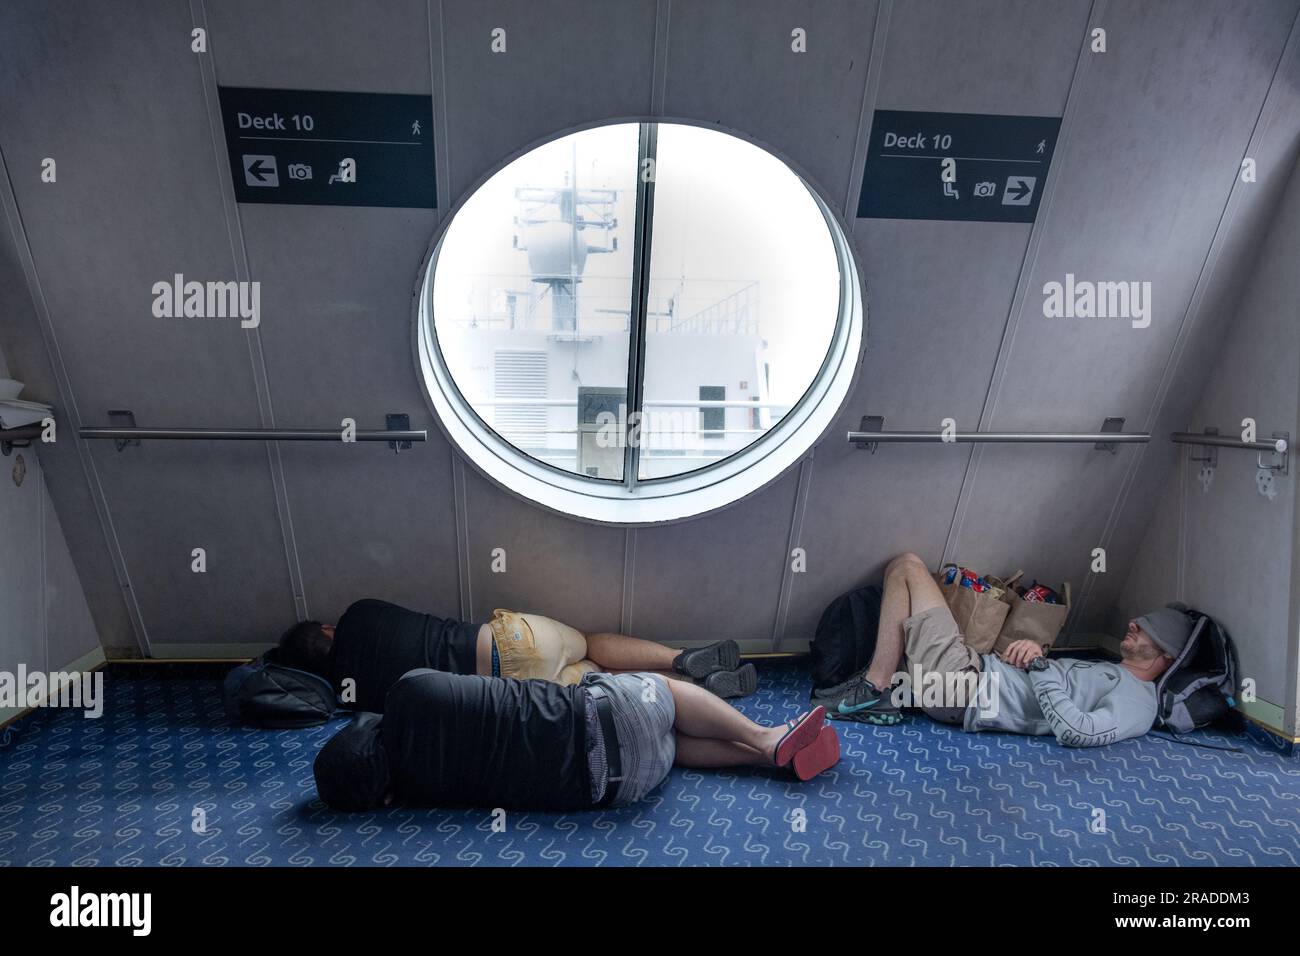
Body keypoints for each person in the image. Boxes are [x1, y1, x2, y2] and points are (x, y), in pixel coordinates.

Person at [312, 668, 840, 812]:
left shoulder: (414, 794)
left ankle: (770, 762)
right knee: (667, 696)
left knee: (670, 746)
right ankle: (765, 738)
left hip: (621, 786)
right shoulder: (411, 690)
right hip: (619, 714)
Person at [811, 553, 1190, 747]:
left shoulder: (1139, 702)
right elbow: (1048, 684)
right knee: (903, 585)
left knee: (908, 567)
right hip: (972, 675)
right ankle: (883, 689)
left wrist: (1040, 668)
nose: (1133, 624)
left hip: (966, 690)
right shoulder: (1110, 670)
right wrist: (1033, 657)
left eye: (1148, 629)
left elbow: (1080, 732)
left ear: (1166, 656)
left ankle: (874, 689)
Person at [276, 599, 756, 712]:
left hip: (511, 693)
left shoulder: (346, 698)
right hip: (508, 642)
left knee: (592, 676)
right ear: (326, 629)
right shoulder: (359, 613)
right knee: (588, 645)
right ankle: (680, 658)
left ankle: (696, 689)